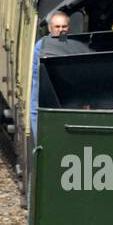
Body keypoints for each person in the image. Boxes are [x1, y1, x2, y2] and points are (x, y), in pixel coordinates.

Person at [30, 8, 70, 138]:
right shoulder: (41, 46)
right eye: (57, 26)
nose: (60, 30)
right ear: (50, 28)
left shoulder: (72, 44)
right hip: (44, 94)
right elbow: (38, 74)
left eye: (64, 26)